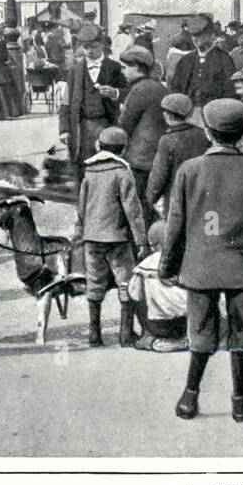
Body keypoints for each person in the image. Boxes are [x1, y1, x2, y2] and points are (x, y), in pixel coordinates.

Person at [160, 99, 243, 423]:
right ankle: (240, 401)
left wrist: (168, 267)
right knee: (242, 330)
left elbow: (174, 226)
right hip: (241, 267)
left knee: (200, 331)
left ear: (208, 131)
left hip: (200, 267)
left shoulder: (189, 171)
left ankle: (190, 396)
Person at [77, 126, 149, 348]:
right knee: (125, 283)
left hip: (92, 238)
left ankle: (94, 335)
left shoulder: (89, 172)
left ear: (99, 146)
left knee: (95, 283)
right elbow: (133, 211)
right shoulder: (123, 173)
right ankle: (126, 335)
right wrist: (141, 241)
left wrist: (80, 233)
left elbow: (81, 208)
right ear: (123, 150)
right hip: (117, 238)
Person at [59, 24, 128, 188]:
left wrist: (116, 93)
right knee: (82, 168)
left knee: (107, 166)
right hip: (81, 128)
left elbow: (130, 92)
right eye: (86, 47)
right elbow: (65, 101)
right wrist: (64, 129)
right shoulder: (75, 70)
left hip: (106, 125)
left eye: (94, 47)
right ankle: (82, 206)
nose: (89, 51)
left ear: (102, 44)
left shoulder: (114, 67)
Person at [117, 46, 168, 226]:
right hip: (157, 157)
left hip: (140, 160)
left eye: (125, 67)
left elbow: (124, 125)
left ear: (137, 67)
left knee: (138, 207)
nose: (123, 72)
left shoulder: (139, 90)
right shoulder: (158, 87)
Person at [127, 223, 190, 353]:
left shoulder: (144, 265)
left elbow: (133, 294)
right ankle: (185, 339)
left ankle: (148, 335)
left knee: (136, 290)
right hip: (181, 323)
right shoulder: (181, 260)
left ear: (153, 244)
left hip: (156, 325)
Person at [145, 93, 209, 220]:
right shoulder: (203, 135)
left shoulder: (168, 140)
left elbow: (159, 175)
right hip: (202, 197)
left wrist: (150, 198)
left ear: (166, 115)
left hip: (176, 199)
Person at [168, 13, 236, 109]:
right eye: (193, 35)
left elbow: (230, 93)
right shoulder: (186, 60)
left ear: (210, 35)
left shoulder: (224, 61)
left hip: (213, 114)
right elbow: (176, 89)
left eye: (199, 35)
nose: (195, 39)